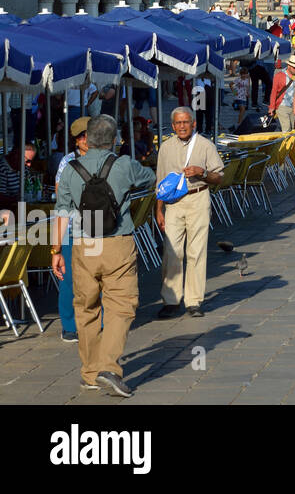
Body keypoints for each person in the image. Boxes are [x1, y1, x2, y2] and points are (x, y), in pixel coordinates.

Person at [51, 114, 156, 397]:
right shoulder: (123, 164)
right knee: (121, 306)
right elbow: (150, 177)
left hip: (84, 245)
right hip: (117, 243)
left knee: (85, 309)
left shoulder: (71, 168)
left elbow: (61, 210)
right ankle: (109, 366)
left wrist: (56, 250)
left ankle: (89, 374)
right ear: (113, 139)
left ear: (88, 138)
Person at [154, 107, 224, 319]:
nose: (182, 126)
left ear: (193, 123)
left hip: (198, 197)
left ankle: (194, 300)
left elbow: (219, 176)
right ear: (173, 125)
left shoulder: (205, 145)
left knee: (196, 250)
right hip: (173, 203)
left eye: (186, 122)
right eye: (178, 123)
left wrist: (201, 172)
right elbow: (160, 182)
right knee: (171, 251)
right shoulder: (165, 148)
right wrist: (158, 210)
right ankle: (171, 299)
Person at [52, 116, 90, 341]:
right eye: (81, 136)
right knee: (69, 278)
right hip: (73, 223)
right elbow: (60, 196)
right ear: (75, 141)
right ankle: (69, 324)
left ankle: (99, 320)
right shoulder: (67, 161)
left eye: (89, 134)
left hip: (98, 225)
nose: (86, 140)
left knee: (98, 276)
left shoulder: (109, 158)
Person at [270, 54, 295, 132]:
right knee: (286, 128)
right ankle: (285, 143)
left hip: (294, 106)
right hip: (282, 105)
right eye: (294, 68)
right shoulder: (279, 76)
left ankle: (289, 144)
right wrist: (271, 107)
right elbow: (274, 91)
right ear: (289, 66)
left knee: (293, 129)